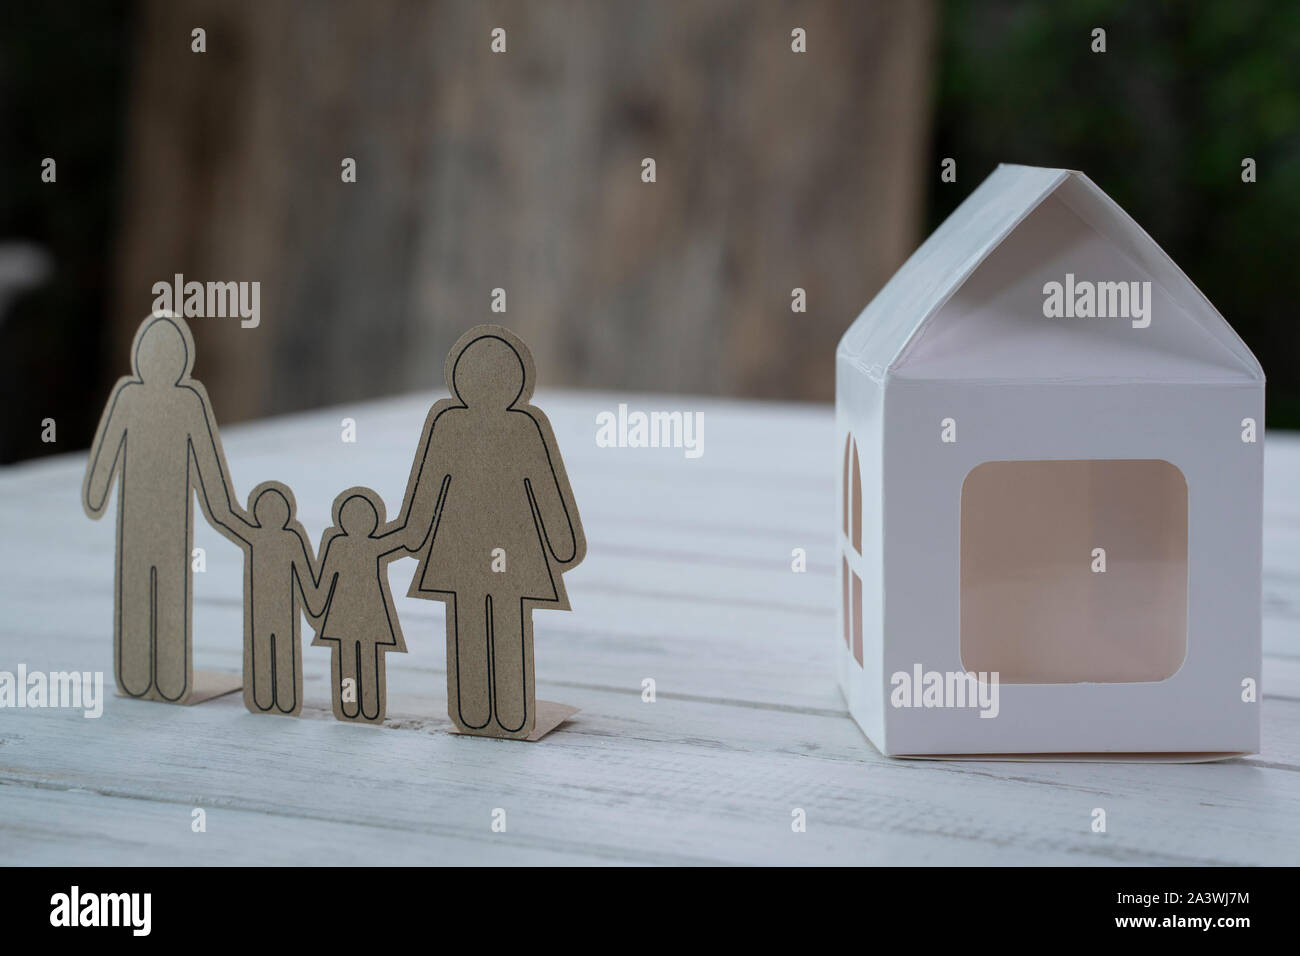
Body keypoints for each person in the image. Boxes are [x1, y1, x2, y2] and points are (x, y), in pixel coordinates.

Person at [393, 325, 586, 738]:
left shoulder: (522, 427)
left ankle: (496, 710)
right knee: (480, 622)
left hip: (495, 551)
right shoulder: (453, 424)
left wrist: (412, 534)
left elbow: (544, 487)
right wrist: (563, 544)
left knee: (495, 622)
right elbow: (430, 484)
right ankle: (484, 710)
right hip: (470, 550)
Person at [82, 313, 243, 703]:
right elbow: (107, 453)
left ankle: (166, 676)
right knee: (139, 591)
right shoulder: (129, 397)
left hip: (171, 523)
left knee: (168, 593)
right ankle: (137, 673)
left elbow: (206, 458)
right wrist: (97, 494)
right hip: (138, 521)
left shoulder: (187, 401)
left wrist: (224, 512)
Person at [222, 481, 323, 716]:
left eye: (276, 508)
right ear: (255, 511)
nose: (270, 513)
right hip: (258, 611)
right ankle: (263, 696)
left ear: (287, 511)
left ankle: (285, 698)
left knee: (284, 651)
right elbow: (226, 517)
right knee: (260, 650)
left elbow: (305, 573)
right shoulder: (252, 536)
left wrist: (316, 610)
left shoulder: (291, 538)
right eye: (265, 508)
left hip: (285, 611)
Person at [311, 487, 407, 723]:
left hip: (369, 614)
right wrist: (316, 610)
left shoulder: (375, 544)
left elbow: (406, 537)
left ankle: (367, 705)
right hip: (344, 615)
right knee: (349, 658)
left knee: (368, 657)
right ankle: (351, 706)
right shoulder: (338, 545)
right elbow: (325, 581)